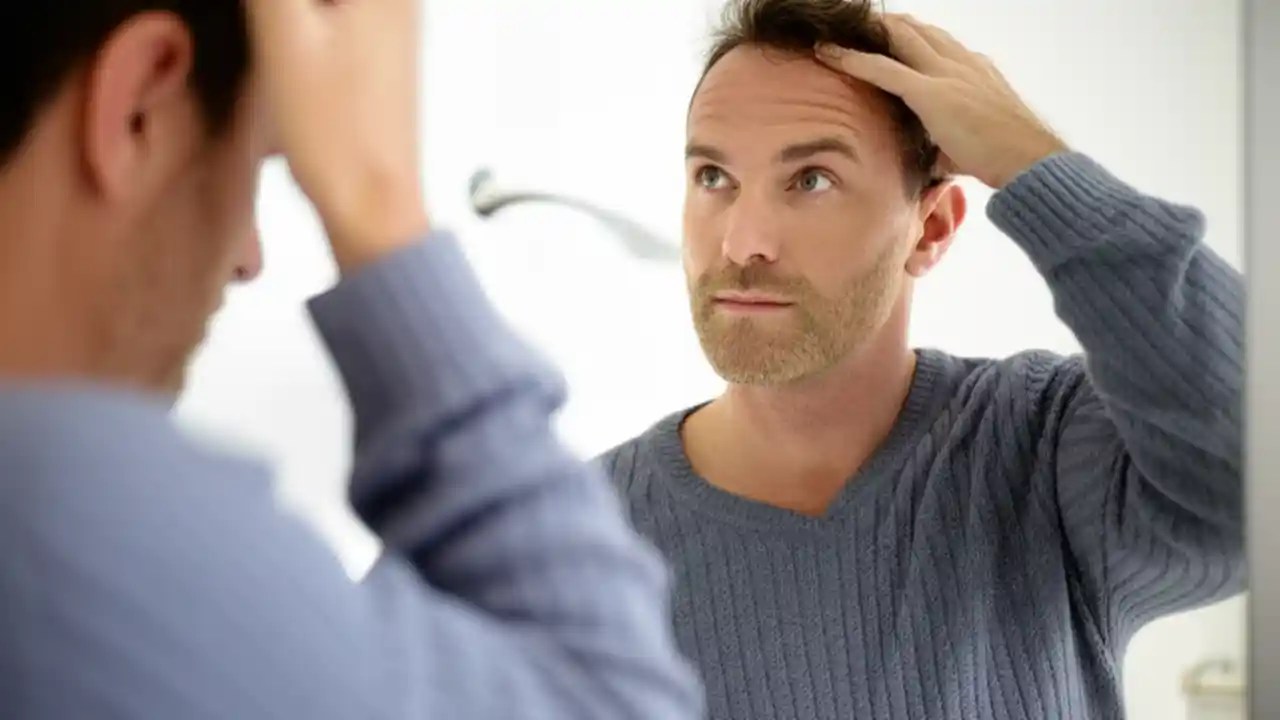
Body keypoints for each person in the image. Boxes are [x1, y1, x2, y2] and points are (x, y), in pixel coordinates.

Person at [0, 1, 702, 718]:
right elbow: (612, 698)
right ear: (141, 105)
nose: (249, 258)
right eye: (260, 161)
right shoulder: (63, 526)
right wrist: (379, 206)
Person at [598, 1, 1245, 718]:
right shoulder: (581, 536)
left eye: (811, 179)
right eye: (714, 177)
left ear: (930, 227)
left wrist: (1034, 162)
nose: (743, 242)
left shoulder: (1046, 450)